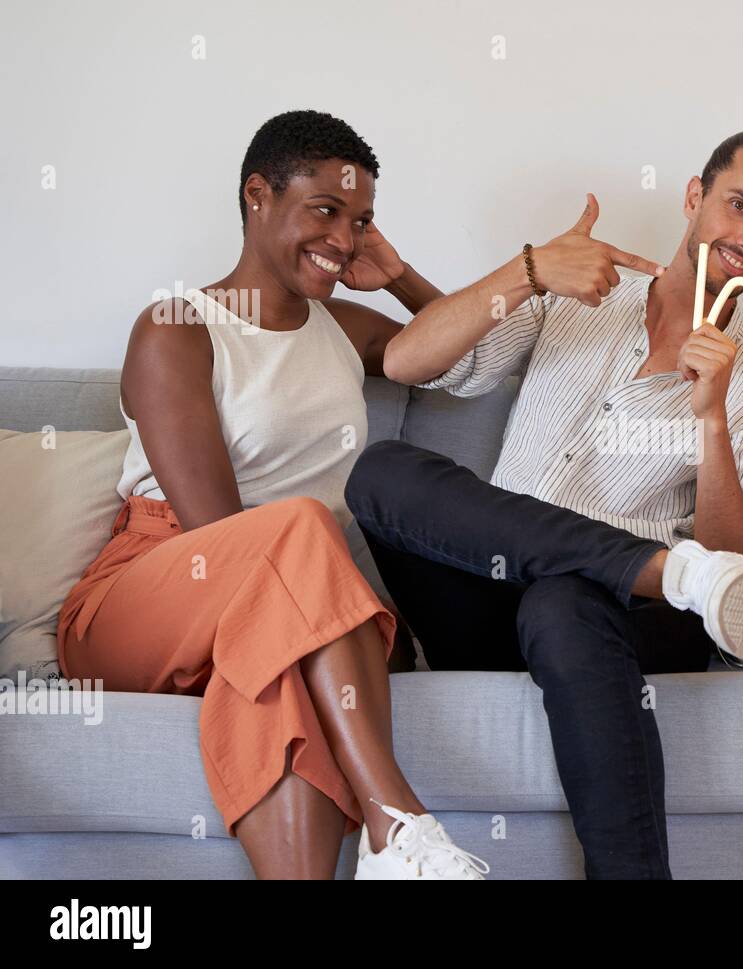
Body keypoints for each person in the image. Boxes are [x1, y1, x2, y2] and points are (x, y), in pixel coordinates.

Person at [345, 121, 743, 879]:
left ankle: (660, 577)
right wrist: (529, 269)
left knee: (565, 598)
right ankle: (667, 566)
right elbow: (408, 360)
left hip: (627, 621)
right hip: (490, 598)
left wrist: (713, 420)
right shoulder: (573, 298)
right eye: (740, 205)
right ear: (694, 197)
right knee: (381, 472)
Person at [57, 110, 488, 880]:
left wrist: (396, 274)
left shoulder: (344, 327)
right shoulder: (177, 328)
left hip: (295, 602)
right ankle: (397, 822)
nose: (344, 238)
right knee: (298, 539)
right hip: (153, 593)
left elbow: (466, 360)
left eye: (361, 221)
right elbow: (215, 534)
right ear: (258, 194)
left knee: (281, 680)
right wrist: (315, 594)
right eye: (325, 210)